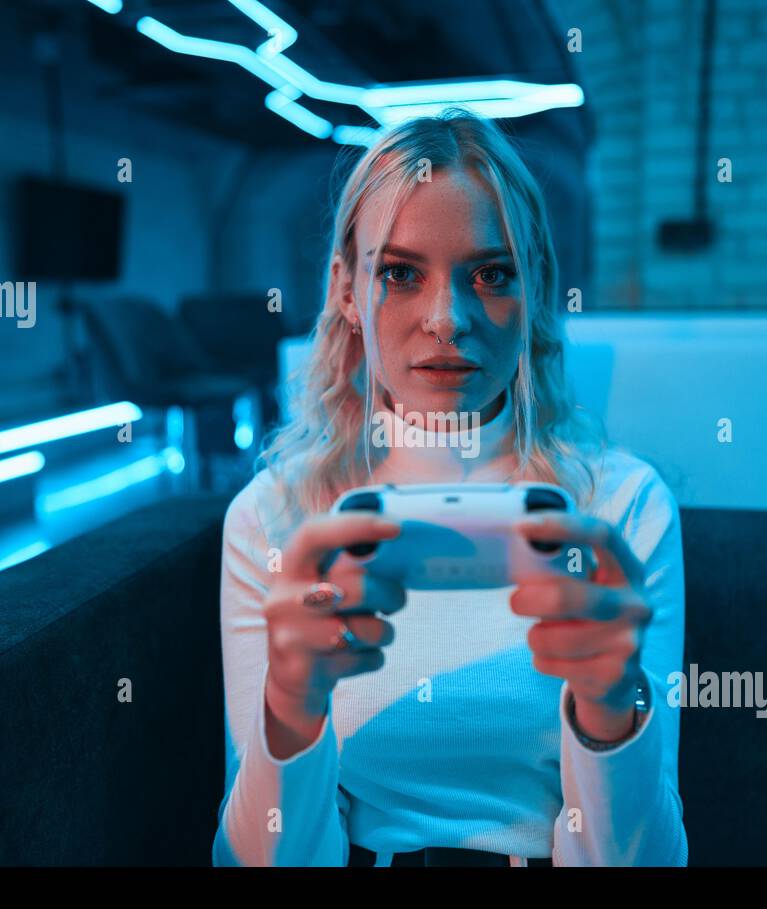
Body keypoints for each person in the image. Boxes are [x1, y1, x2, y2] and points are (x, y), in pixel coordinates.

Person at [213, 109, 687, 866]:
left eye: (491, 275)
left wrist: (612, 712)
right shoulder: (275, 520)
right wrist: (290, 713)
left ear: (533, 290)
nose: (447, 320)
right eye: (400, 274)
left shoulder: (620, 509)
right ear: (346, 289)